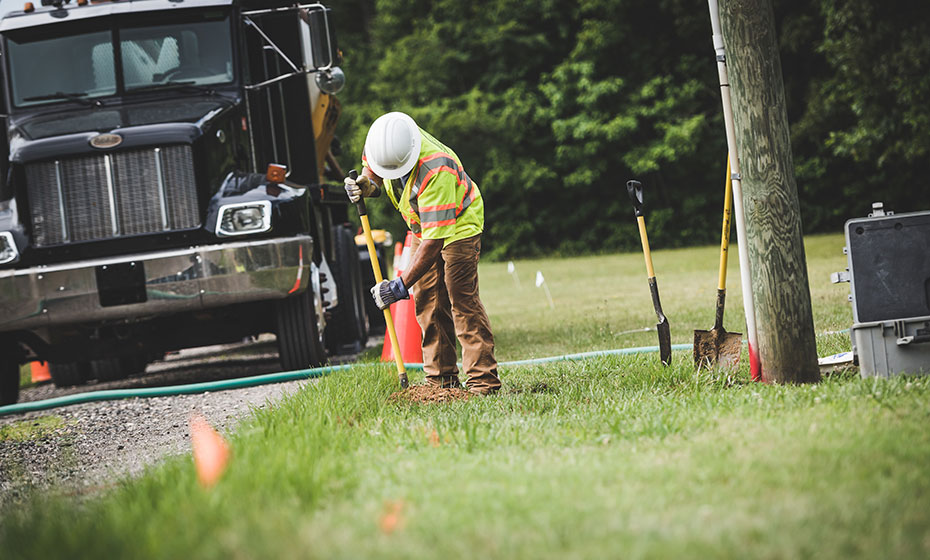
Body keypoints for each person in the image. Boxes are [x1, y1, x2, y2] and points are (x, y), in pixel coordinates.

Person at [344, 112, 501, 395]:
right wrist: (367, 185)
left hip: (459, 225)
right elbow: (374, 171)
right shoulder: (382, 139)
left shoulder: (435, 169)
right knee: (428, 298)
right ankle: (441, 381)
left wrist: (400, 285)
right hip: (422, 226)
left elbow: (433, 243)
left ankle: (482, 381)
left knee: (460, 298)